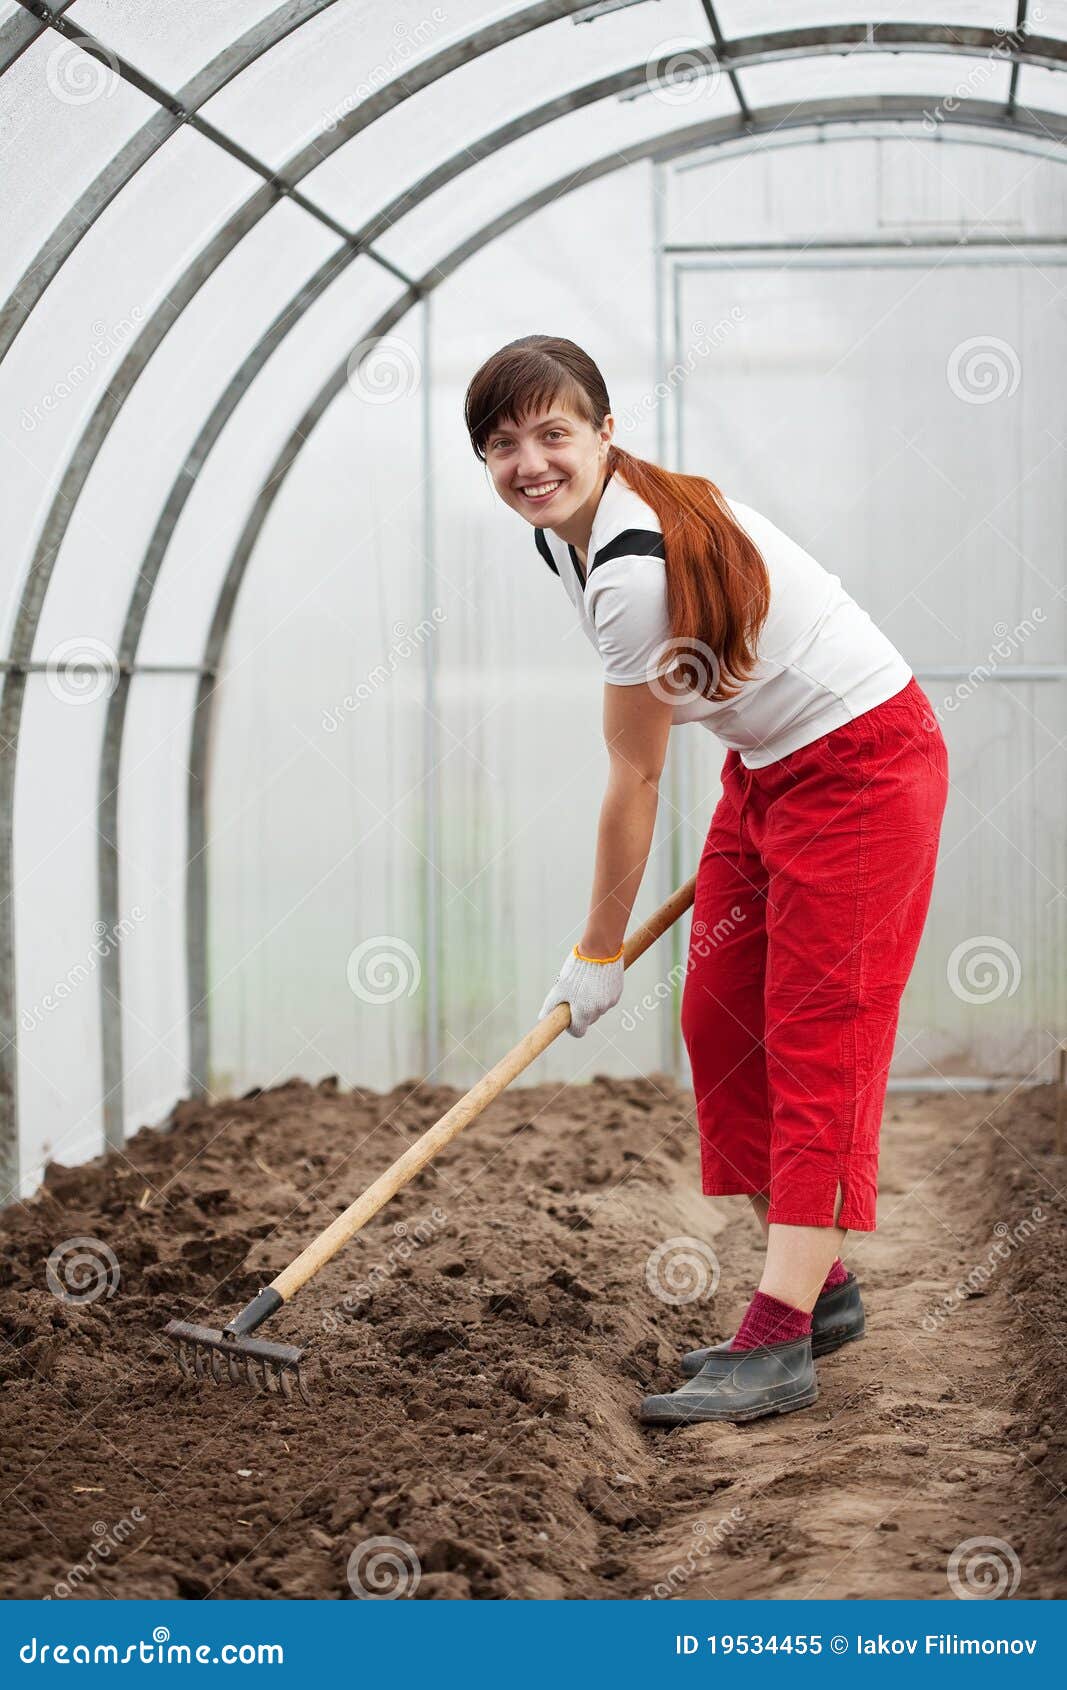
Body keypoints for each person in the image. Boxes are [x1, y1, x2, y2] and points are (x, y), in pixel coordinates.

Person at [463, 334, 949, 1425]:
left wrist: (595, 952)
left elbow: (633, 772)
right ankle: (818, 1286)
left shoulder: (632, 568)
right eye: (501, 446)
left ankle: (774, 1344)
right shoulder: (566, 540)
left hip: (864, 762)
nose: (529, 463)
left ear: (603, 434)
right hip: (769, 766)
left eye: (552, 434)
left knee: (820, 1033)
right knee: (725, 1016)